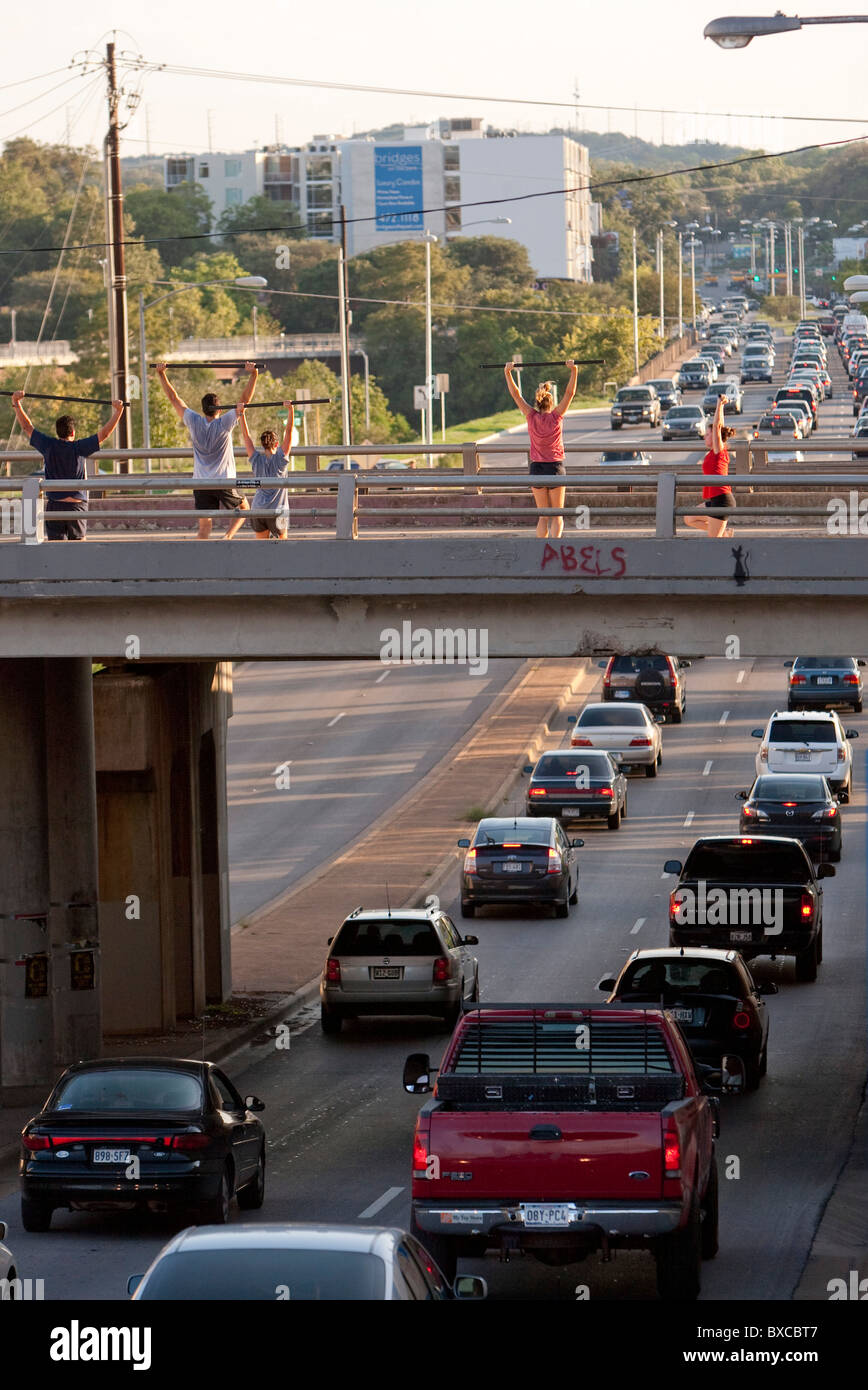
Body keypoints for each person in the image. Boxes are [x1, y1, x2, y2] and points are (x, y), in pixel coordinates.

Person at [154, 361, 259, 539]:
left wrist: (161, 373)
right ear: (219, 409)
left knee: (204, 528)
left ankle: (198, 558)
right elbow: (245, 400)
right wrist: (253, 374)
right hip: (224, 481)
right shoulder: (224, 423)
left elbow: (174, 398)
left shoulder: (193, 422)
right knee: (244, 508)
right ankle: (227, 537)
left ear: (203, 409)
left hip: (201, 483)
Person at [11, 392, 124, 540]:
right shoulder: (79, 447)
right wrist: (118, 412)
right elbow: (104, 434)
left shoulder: (48, 445)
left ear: (58, 431)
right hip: (77, 506)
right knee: (78, 551)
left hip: (55, 505)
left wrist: (16, 403)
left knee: (55, 549)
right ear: (73, 432)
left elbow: (27, 427)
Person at [504, 359, 578, 538]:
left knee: (543, 516)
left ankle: (541, 552)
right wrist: (574, 370)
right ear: (551, 403)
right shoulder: (557, 416)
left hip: (537, 468)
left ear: (537, 403)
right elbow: (570, 393)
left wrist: (507, 372)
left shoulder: (531, 416)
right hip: (555, 467)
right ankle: (555, 551)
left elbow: (516, 395)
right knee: (557, 516)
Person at [237, 402, 294, 539]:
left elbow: (246, 437)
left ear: (262, 444)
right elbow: (289, 432)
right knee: (282, 547)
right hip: (279, 511)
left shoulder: (256, 459)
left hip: (258, 510)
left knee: (262, 548)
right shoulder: (281, 459)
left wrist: (241, 414)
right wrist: (290, 410)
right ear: (276, 444)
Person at [683, 394, 736, 538]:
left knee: (713, 542)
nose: (705, 437)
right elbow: (720, 428)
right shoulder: (714, 452)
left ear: (714, 437)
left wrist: (719, 404)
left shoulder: (719, 451)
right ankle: (724, 533)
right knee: (689, 518)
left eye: (708, 434)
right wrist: (723, 405)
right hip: (714, 499)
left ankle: (722, 536)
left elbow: (718, 427)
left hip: (721, 500)